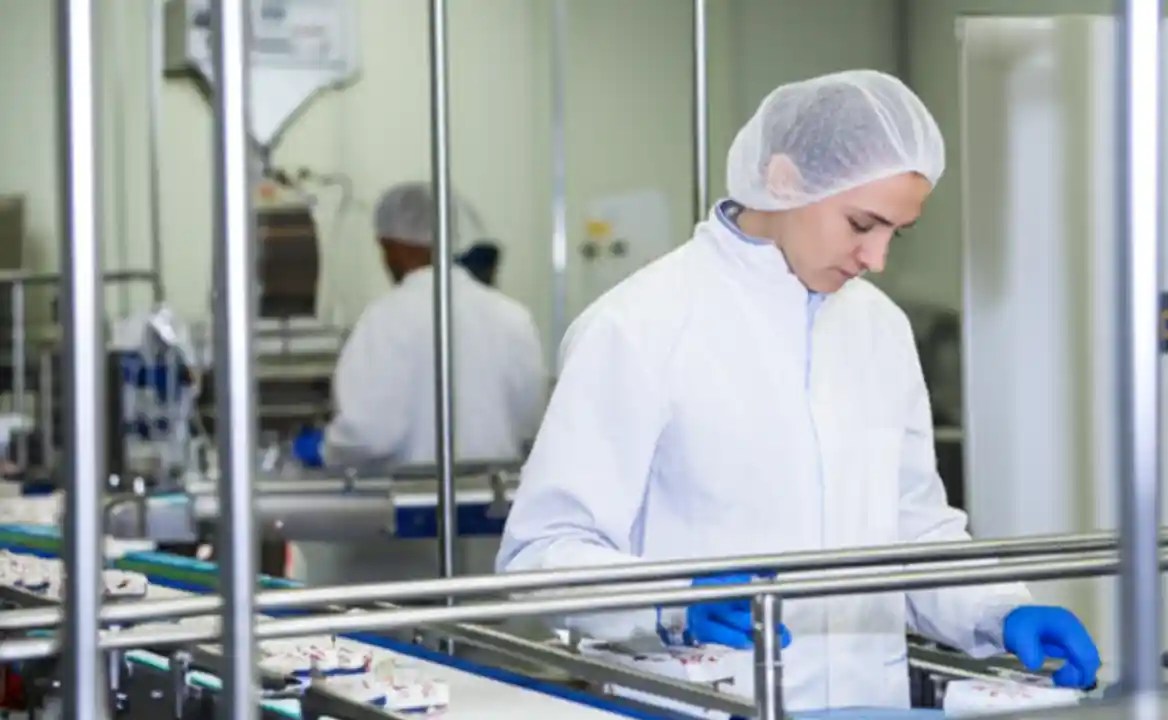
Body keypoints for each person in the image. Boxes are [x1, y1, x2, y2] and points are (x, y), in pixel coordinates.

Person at [496, 70, 1100, 711]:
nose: (877, 258)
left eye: (896, 232)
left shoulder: (878, 329)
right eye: (862, 224)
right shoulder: (640, 325)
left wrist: (997, 612)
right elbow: (543, 554)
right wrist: (672, 602)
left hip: (869, 702)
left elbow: (913, 528)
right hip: (709, 701)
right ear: (783, 180)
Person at [292, 182, 547, 584]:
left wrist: (322, 449)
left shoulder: (386, 319)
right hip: (493, 526)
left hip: (410, 534)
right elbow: (530, 422)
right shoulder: (512, 317)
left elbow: (369, 433)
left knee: (411, 641)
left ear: (392, 245)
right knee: (484, 639)